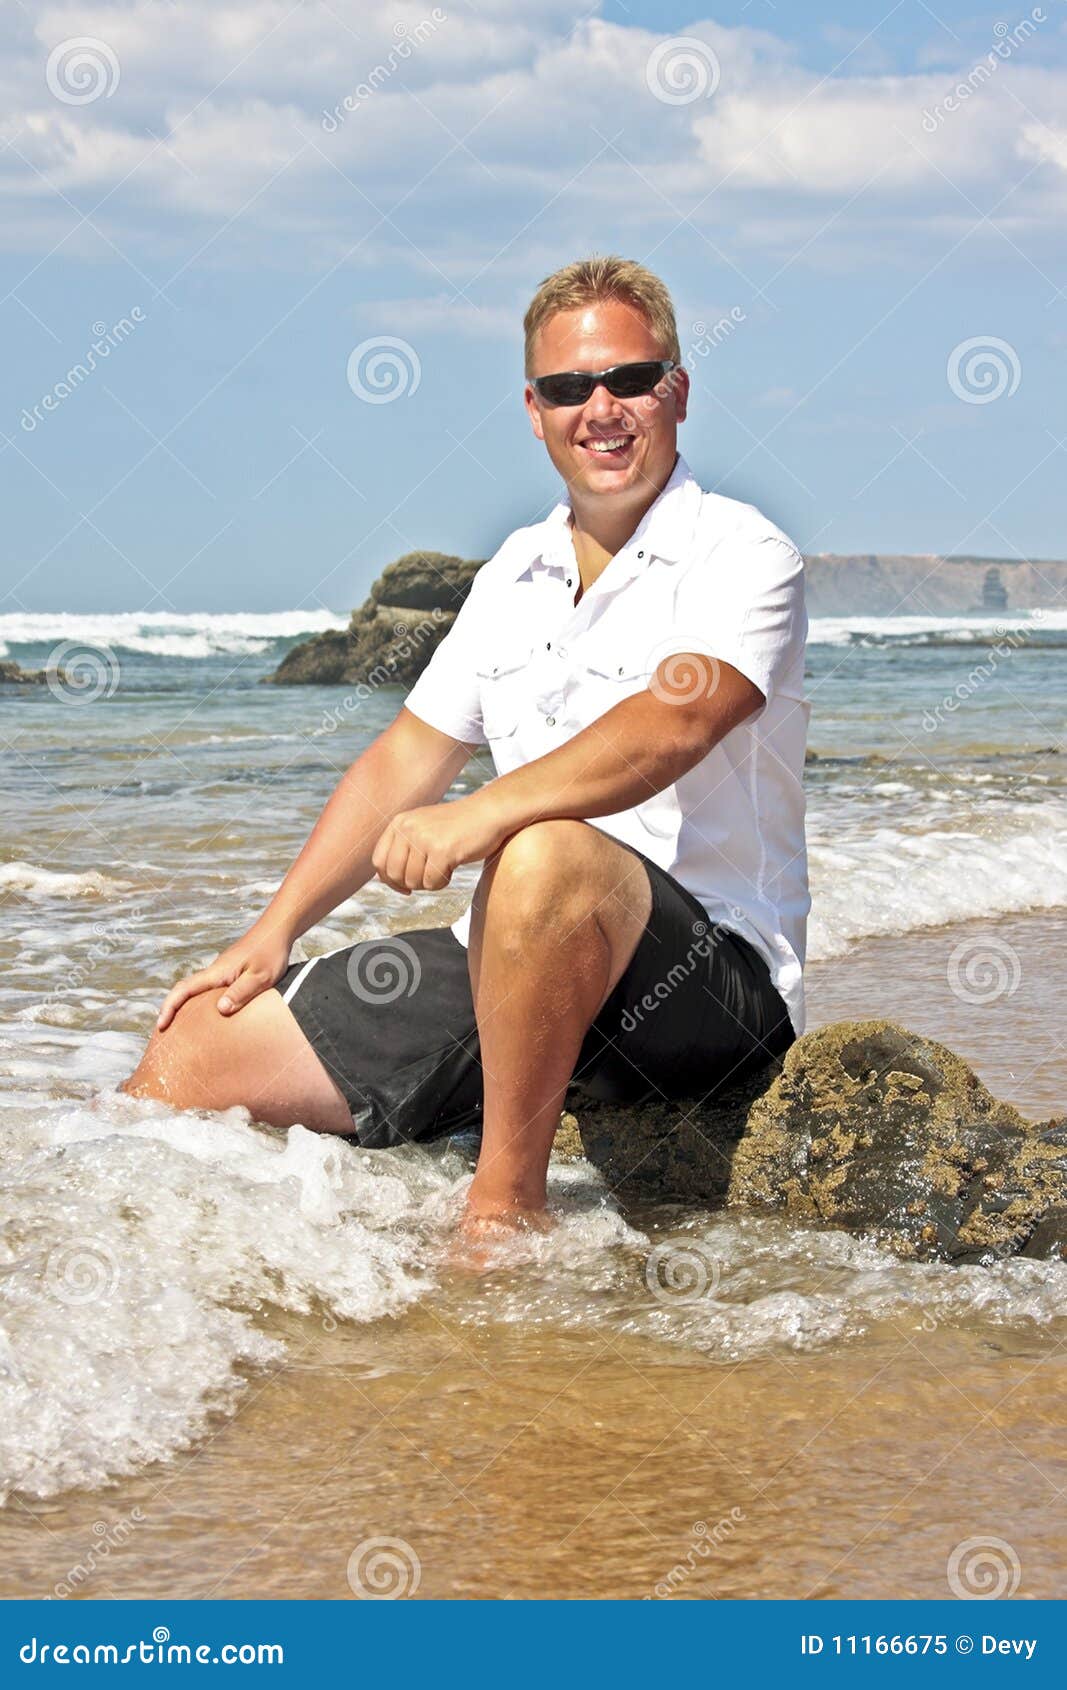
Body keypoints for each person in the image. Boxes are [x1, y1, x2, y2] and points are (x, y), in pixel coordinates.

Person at [121, 254, 810, 1236]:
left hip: (707, 987)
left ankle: (503, 1214)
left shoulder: (742, 555)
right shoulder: (512, 575)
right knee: (198, 1043)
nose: (601, 408)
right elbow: (407, 757)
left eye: (629, 379)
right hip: (513, 961)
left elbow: (676, 720)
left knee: (540, 854)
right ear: (534, 409)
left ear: (677, 390)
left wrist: (484, 813)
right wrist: (272, 932)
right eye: (569, 387)